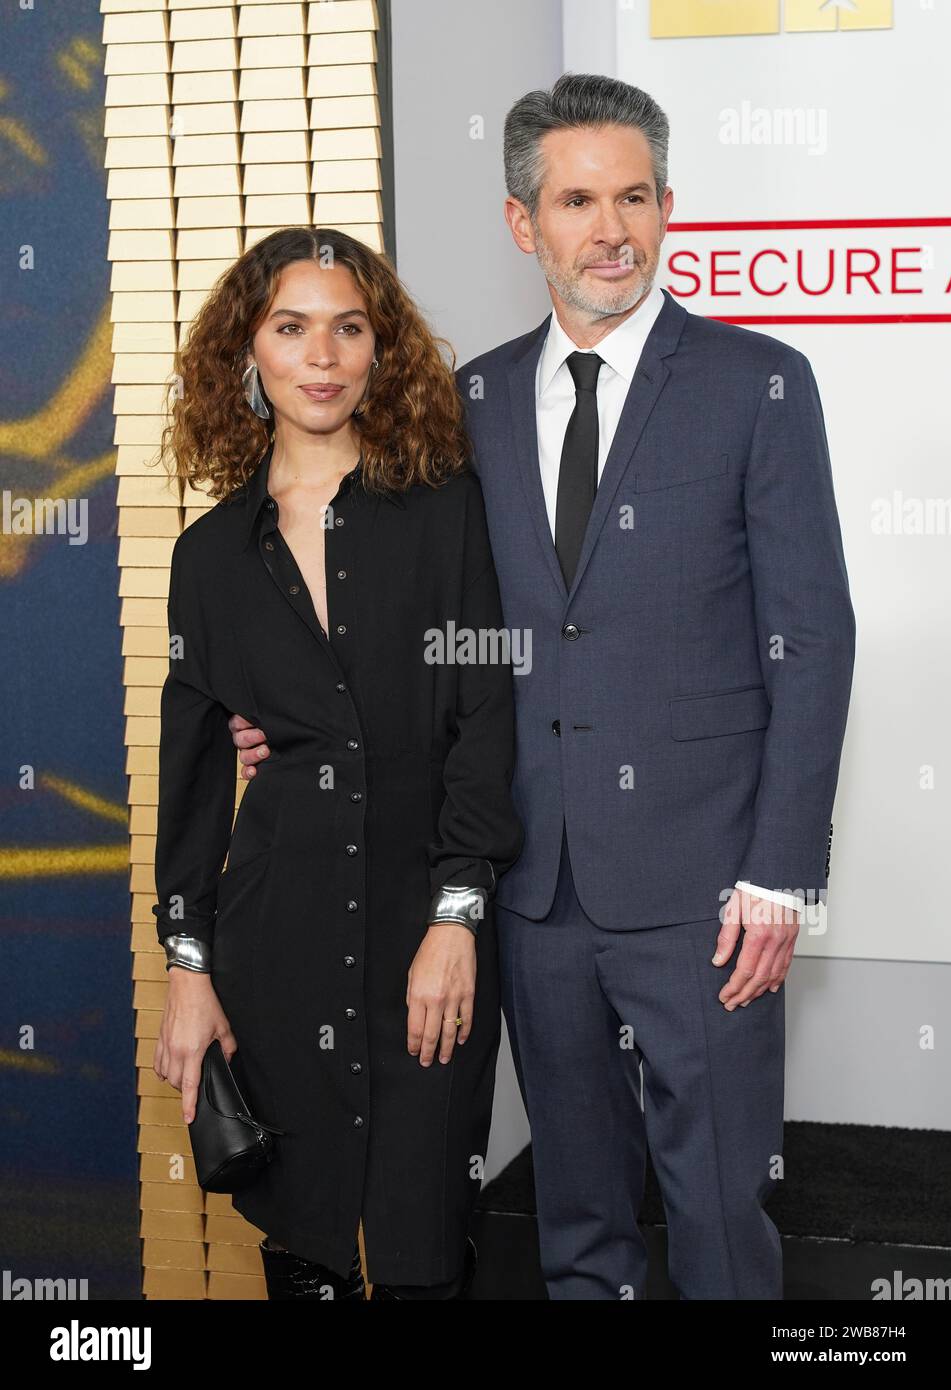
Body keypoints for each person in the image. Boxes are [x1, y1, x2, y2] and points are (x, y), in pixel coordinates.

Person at [233, 75, 856, 1300]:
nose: (608, 227)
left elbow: (813, 634)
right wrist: (299, 728)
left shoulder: (756, 383)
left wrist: (781, 870)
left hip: (707, 887)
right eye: (576, 200)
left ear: (668, 206)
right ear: (524, 223)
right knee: (572, 1211)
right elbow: (425, 631)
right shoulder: (463, 406)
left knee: (721, 1213)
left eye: (632, 195)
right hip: (529, 883)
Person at [150, 225, 524, 1300]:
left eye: (348, 328)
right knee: (305, 1240)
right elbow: (189, 781)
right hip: (276, 935)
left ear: (379, 351)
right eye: (291, 327)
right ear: (247, 354)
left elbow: (483, 712)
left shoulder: (444, 508)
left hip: (428, 922)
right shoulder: (208, 556)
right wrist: (188, 969)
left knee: (421, 1236)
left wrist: (456, 914)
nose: (321, 355)